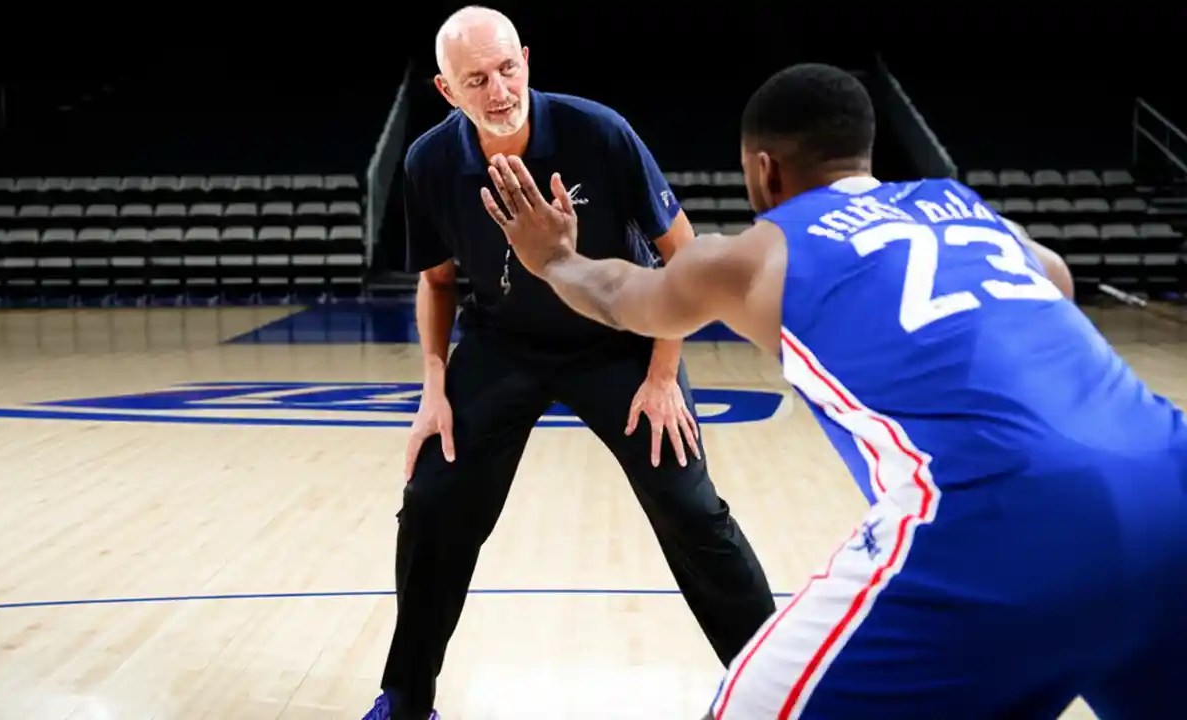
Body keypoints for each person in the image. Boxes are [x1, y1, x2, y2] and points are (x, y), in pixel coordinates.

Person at [481, 62, 1187, 719]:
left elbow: (621, 295)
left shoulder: (761, 248)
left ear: (764, 169)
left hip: (1005, 520)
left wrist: (556, 258)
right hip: (1169, 483)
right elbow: (1056, 279)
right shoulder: (967, 209)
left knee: (746, 706)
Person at [362, 6, 777, 719]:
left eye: (507, 69)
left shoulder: (599, 132)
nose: (498, 90)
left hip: (621, 336)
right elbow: (435, 281)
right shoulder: (430, 161)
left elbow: (683, 259)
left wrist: (660, 375)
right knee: (432, 505)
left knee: (690, 509)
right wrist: (434, 387)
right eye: (476, 79)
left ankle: (777, 689)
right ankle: (405, 700)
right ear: (445, 90)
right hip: (503, 344)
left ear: (526, 58)